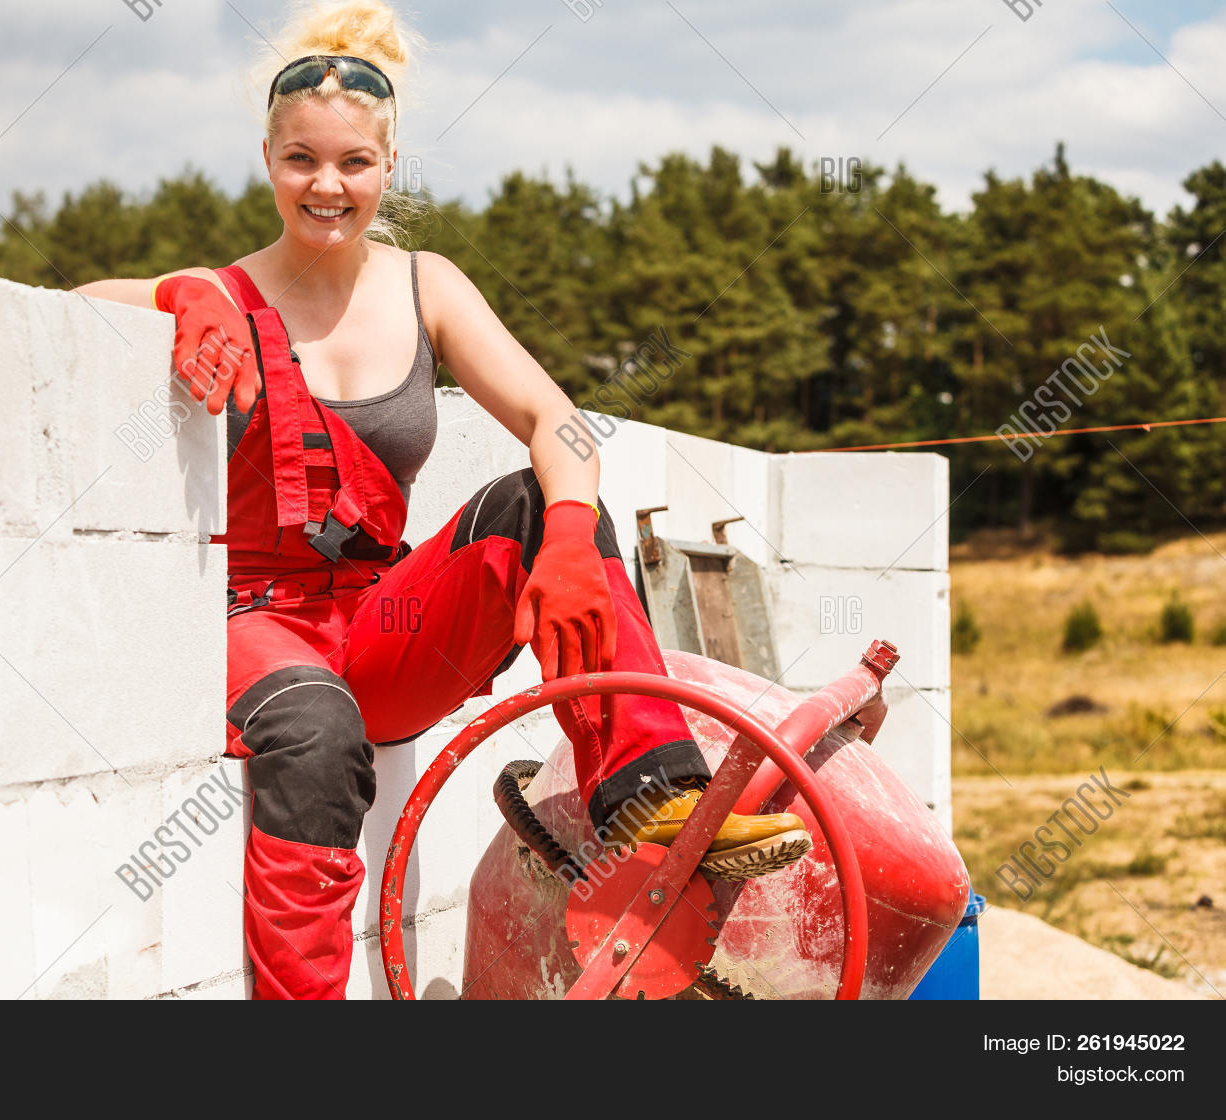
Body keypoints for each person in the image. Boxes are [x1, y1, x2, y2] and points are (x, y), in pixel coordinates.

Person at [79, 0, 810, 1000]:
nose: (326, 185)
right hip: (261, 629)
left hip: (385, 623)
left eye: (353, 163)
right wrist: (179, 292)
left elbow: (557, 421)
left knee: (546, 503)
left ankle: (653, 793)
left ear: (388, 166)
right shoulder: (225, 288)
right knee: (317, 727)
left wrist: (566, 535)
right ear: (267, 160)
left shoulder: (427, 285)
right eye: (301, 160)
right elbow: (72, 308)